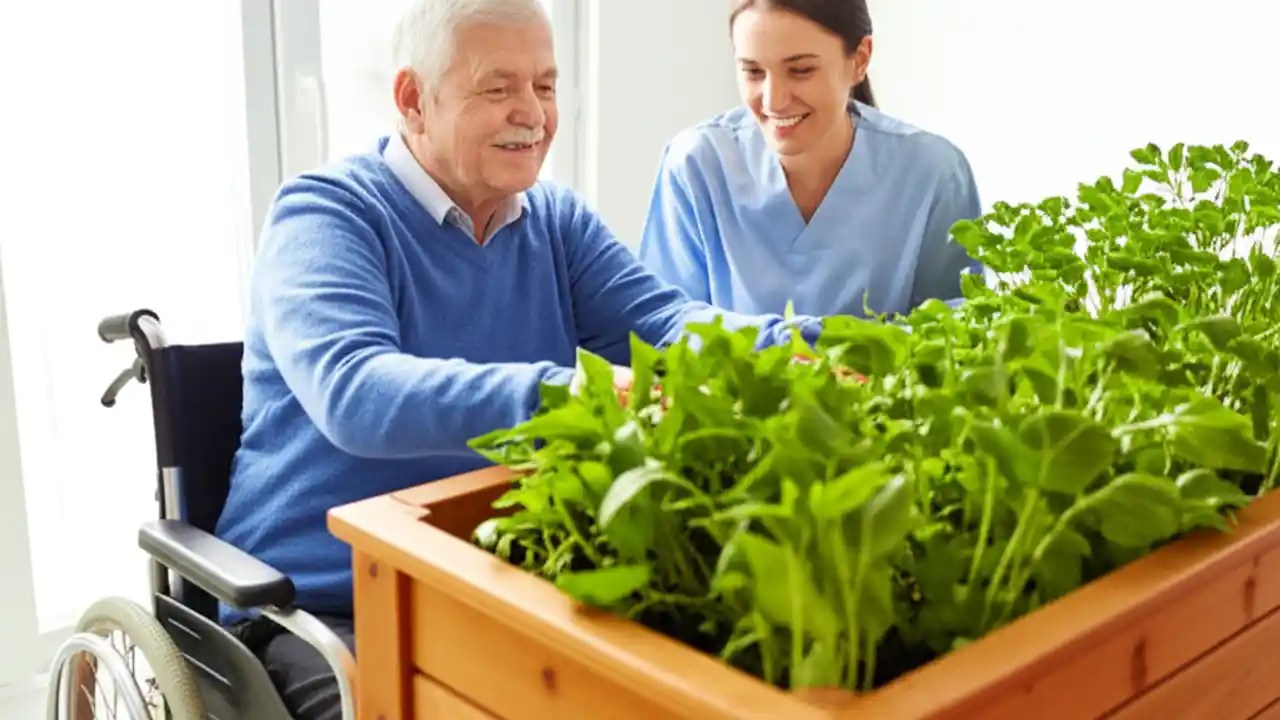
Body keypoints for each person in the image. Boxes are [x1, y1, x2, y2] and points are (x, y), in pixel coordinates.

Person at [212, 1, 822, 717]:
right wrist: (575, 396)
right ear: (413, 99)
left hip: (488, 577)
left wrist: (820, 344)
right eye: (498, 88)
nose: (532, 113)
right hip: (320, 606)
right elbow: (356, 393)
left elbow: (665, 324)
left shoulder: (555, 222)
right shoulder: (327, 214)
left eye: (545, 85)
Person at [638, 0, 983, 319]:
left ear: (860, 59)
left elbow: (953, 337)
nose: (774, 101)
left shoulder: (933, 173)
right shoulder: (697, 165)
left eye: (801, 70)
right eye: (753, 72)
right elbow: (665, 328)